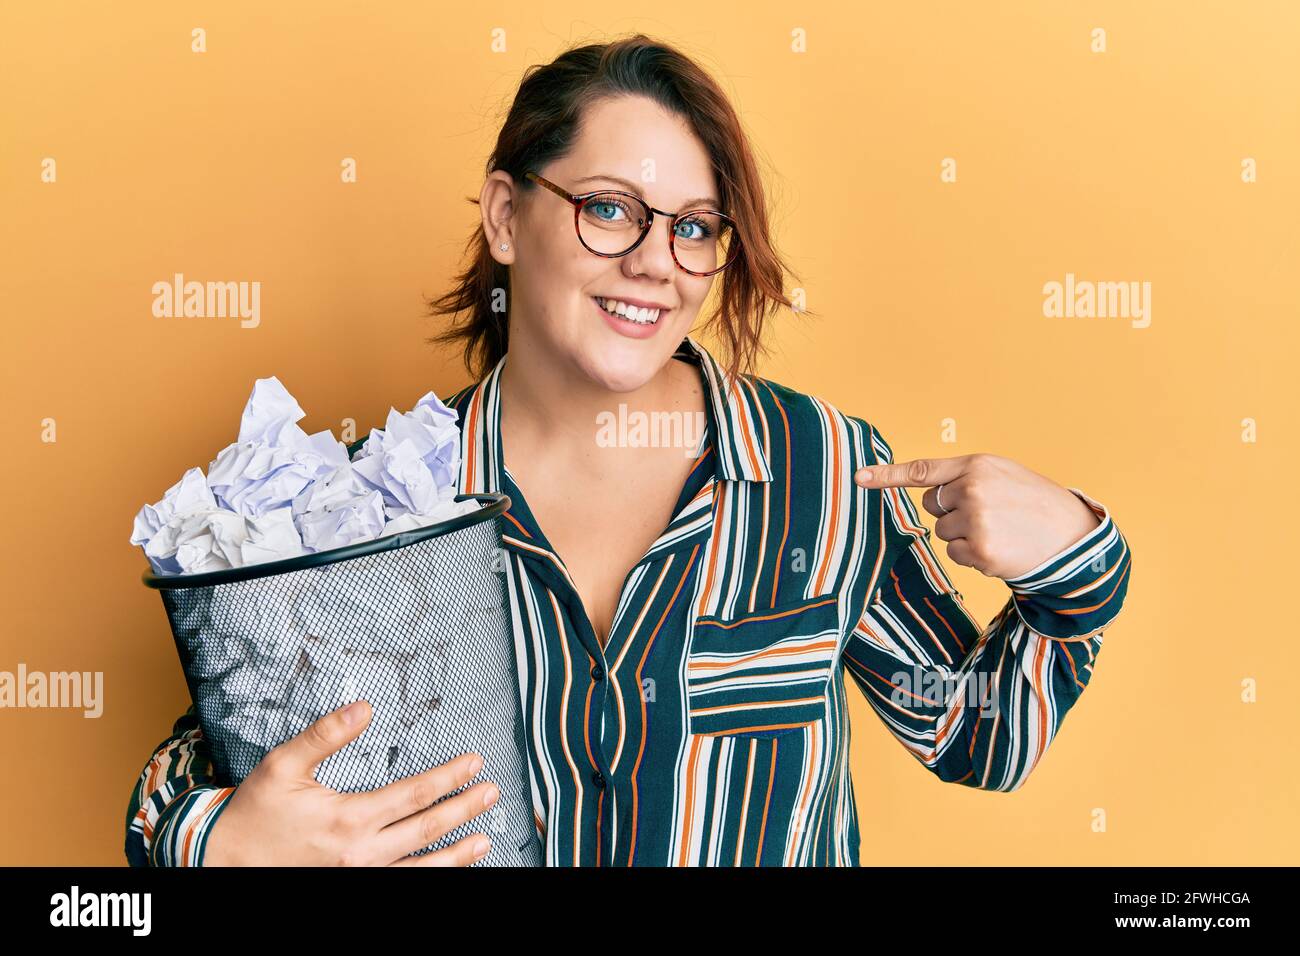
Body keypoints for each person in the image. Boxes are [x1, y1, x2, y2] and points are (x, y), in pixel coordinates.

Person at [125, 34, 1133, 867]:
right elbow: (193, 776)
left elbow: (978, 733)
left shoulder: (823, 469)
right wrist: (219, 841)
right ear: (507, 216)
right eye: (609, 208)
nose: (655, 260)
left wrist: (1076, 560)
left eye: (695, 227)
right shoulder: (375, 505)